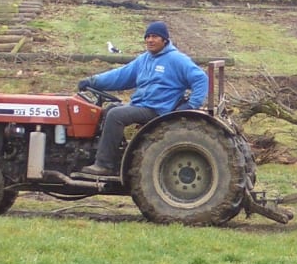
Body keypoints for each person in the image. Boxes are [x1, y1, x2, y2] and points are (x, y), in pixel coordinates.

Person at [77, 21, 209, 176]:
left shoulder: (176, 59)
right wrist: (93, 81)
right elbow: (120, 76)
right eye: (148, 37)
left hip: (157, 109)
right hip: (141, 104)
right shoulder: (145, 59)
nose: (150, 40)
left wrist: (192, 104)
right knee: (110, 109)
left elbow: (201, 79)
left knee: (115, 115)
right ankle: (111, 155)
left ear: (164, 40)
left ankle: (104, 164)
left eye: (155, 37)